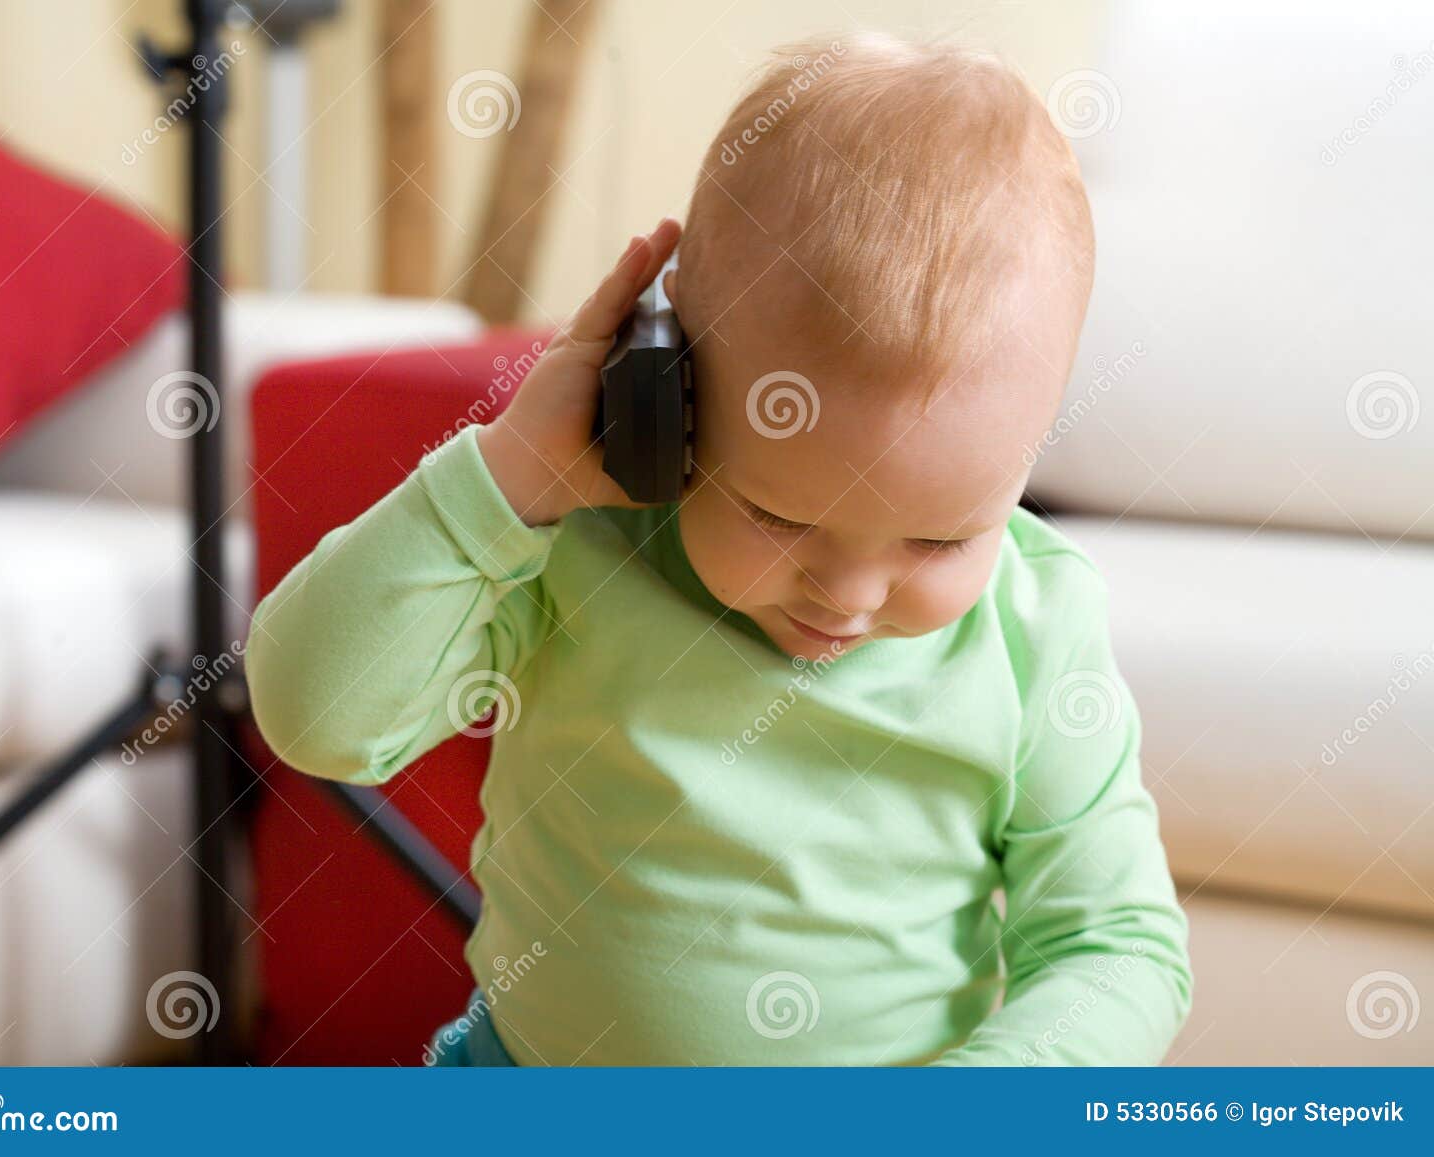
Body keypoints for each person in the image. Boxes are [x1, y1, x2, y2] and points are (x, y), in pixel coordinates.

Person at [245, 31, 1192, 1066]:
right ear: (662, 402)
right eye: (779, 519)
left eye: (939, 537)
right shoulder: (577, 545)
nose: (850, 593)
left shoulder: (1033, 627)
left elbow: (1116, 946)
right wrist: (507, 475)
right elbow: (315, 714)